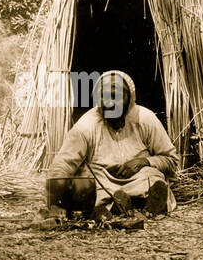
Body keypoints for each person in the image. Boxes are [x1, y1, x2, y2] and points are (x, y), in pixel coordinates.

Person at [46, 69, 177, 218]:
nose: (110, 102)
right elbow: (64, 163)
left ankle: (141, 204)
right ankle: (120, 204)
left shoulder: (145, 119)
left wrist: (144, 161)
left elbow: (171, 159)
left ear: (130, 99)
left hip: (139, 179)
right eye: (104, 96)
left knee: (152, 176)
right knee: (86, 180)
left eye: (117, 96)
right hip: (102, 181)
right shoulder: (87, 124)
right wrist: (55, 201)